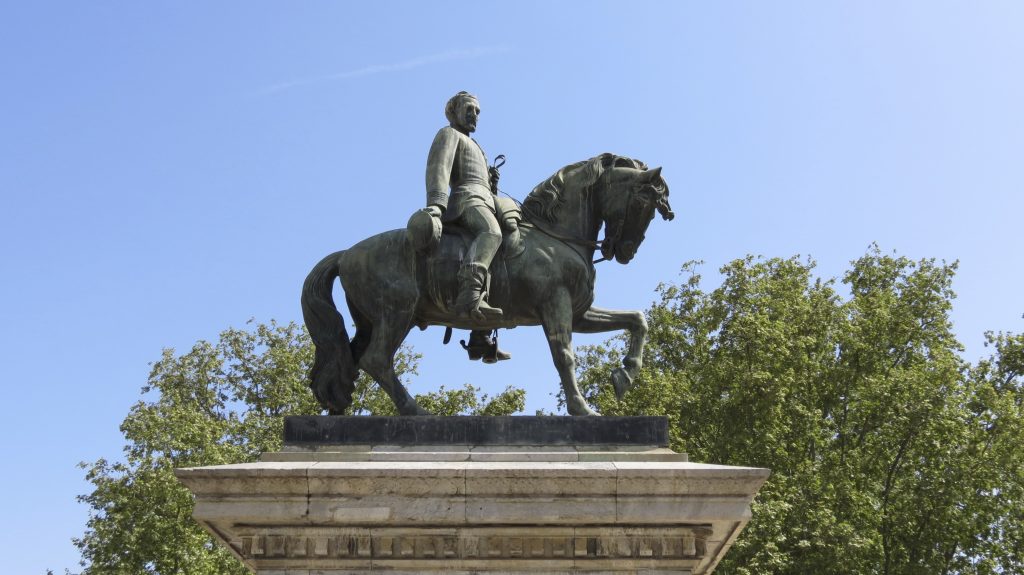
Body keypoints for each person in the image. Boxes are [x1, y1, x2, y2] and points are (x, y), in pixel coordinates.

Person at [425, 91, 510, 362]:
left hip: (486, 199)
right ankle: (469, 294)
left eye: (478, 111)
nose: (474, 114)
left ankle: (481, 336)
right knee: (491, 233)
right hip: (466, 200)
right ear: (453, 112)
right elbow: (438, 169)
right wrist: (436, 206)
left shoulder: (477, 146)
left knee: (511, 247)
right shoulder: (449, 135)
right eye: (469, 109)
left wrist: (491, 181)